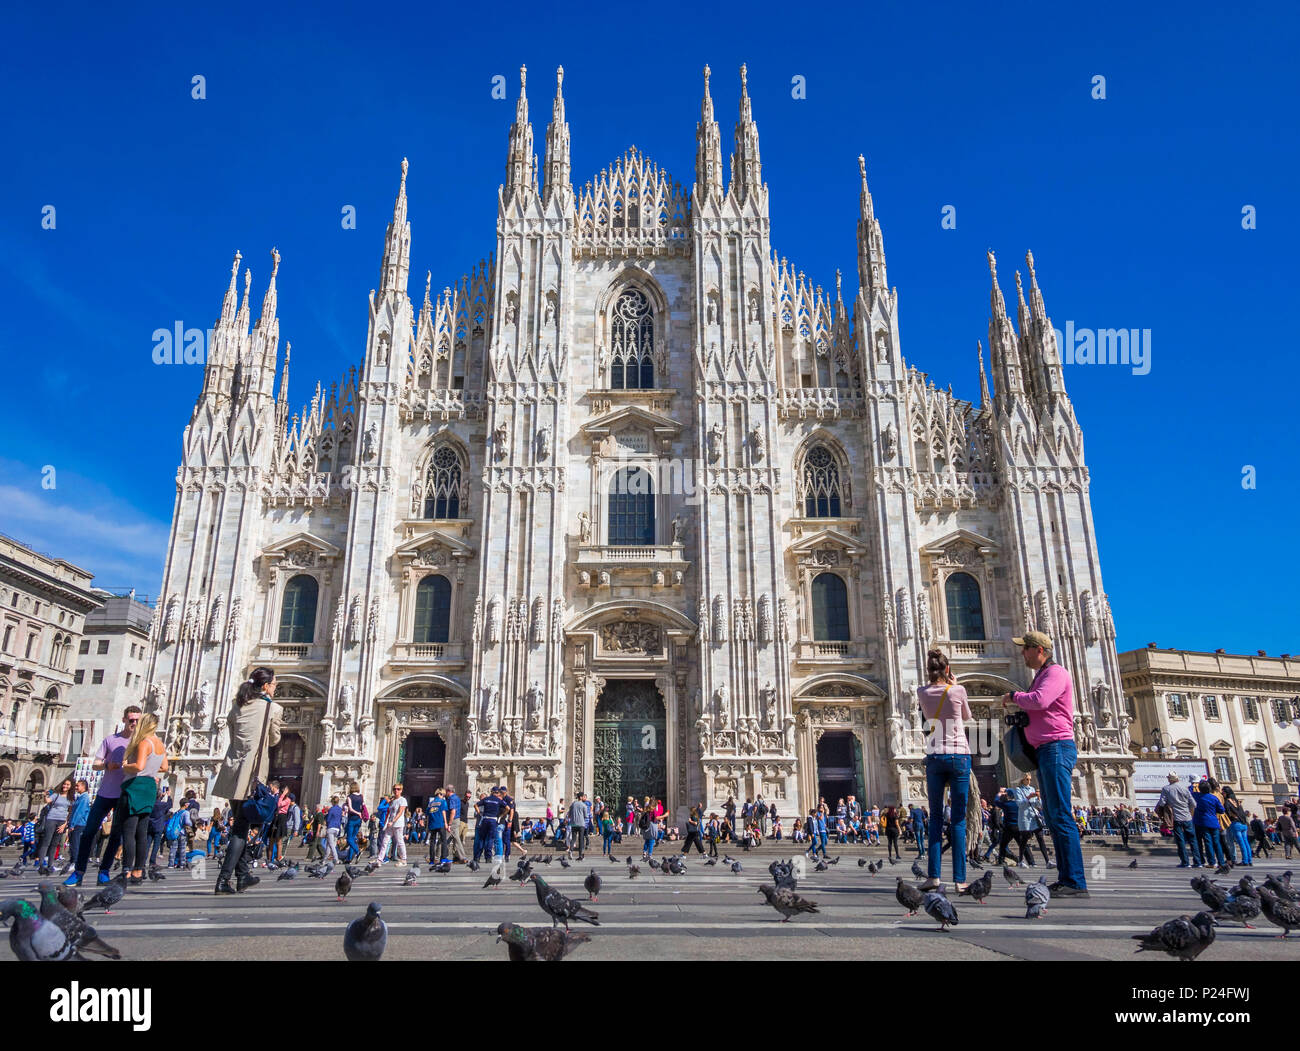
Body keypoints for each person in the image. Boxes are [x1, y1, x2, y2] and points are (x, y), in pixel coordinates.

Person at [1003, 631, 1087, 898]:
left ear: (1039, 650)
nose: (1022, 653)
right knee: (1053, 815)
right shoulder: (1041, 675)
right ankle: (1067, 878)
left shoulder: (1055, 673)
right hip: (1046, 750)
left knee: (1061, 815)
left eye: (1025, 648)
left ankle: (1075, 881)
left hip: (1056, 748)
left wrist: (1015, 697)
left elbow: (1040, 700)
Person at [212, 666, 285, 895]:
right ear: (265, 686)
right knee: (240, 831)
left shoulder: (237, 706)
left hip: (232, 772)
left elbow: (233, 737)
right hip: (252, 777)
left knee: (239, 823)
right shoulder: (272, 708)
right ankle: (223, 880)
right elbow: (273, 740)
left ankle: (242, 876)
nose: (275, 689)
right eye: (274, 685)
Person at [66, 706, 142, 887]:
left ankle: (104, 872)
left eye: (137, 720)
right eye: (131, 719)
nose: (134, 723)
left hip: (125, 794)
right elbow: (96, 764)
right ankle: (79, 871)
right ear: (124, 720)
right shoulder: (111, 740)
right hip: (105, 793)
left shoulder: (141, 743)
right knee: (89, 831)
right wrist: (108, 764)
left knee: (116, 835)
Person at [917, 648, 971, 892]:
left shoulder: (922, 692)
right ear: (947, 670)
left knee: (936, 818)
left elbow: (927, 718)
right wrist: (955, 685)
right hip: (959, 756)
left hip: (935, 756)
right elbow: (966, 716)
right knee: (958, 820)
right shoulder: (958, 691)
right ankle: (960, 880)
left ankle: (934, 877)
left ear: (928, 671)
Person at [116, 713, 168, 885]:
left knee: (129, 831)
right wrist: (152, 772)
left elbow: (139, 766)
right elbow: (165, 766)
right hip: (149, 788)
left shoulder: (145, 742)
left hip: (136, 786)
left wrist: (125, 765)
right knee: (142, 832)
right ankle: (139, 870)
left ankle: (127, 870)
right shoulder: (160, 744)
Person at [1156, 773, 1200, 867]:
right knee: (1193, 840)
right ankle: (1197, 861)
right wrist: (1189, 811)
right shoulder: (1185, 788)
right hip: (1187, 817)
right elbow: (1193, 804)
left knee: (1180, 840)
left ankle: (1185, 862)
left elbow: (1162, 802)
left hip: (1176, 818)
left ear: (1170, 780)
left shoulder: (1166, 789)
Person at [36, 777, 75, 876]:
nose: (65, 786)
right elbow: (47, 801)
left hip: (62, 821)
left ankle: (50, 865)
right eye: (64, 784)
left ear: (71, 787)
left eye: (67, 785)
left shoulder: (71, 798)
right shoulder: (56, 795)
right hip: (51, 819)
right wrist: (45, 795)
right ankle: (41, 865)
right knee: (46, 842)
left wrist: (65, 825)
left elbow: (70, 813)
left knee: (54, 844)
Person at [1192, 780, 1226, 868]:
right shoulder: (1214, 798)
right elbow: (1221, 810)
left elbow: (1191, 791)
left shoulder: (1197, 796)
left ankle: (1211, 862)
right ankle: (1221, 862)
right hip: (1214, 822)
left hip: (1203, 822)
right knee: (1217, 842)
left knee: (1208, 842)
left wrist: (1194, 784)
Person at [377, 783, 408, 865]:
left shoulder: (403, 800)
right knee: (385, 841)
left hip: (398, 824)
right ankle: (379, 859)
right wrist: (387, 822)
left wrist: (392, 821)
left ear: (401, 790)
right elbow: (388, 812)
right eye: (394, 789)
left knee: (400, 841)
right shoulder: (392, 801)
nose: (396, 791)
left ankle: (404, 859)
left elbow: (400, 812)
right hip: (390, 824)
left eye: (398, 789)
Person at [1221, 785, 1251, 866]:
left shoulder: (1227, 801)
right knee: (1246, 842)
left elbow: (1227, 812)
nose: (1222, 793)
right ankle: (1249, 860)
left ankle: (1245, 861)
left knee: (1241, 843)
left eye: (1223, 792)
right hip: (1243, 824)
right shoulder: (1237, 801)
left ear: (1226, 793)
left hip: (1235, 823)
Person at [343, 781, 365, 863]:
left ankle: (357, 851)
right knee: (353, 838)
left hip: (352, 819)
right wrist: (360, 813)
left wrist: (357, 812)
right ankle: (349, 859)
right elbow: (363, 806)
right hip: (359, 820)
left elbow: (351, 809)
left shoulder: (350, 797)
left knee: (349, 839)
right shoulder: (361, 796)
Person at [567, 793, 589, 860]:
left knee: (573, 838)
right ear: (581, 797)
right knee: (581, 839)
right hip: (581, 824)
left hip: (573, 823)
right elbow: (586, 816)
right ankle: (580, 855)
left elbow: (569, 814)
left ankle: (570, 850)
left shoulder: (573, 804)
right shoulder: (583, 805)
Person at [322, 796, 343, 863]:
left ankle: (336, 859)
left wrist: (327, 821)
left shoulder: (331, 809)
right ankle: (324, 860)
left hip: (331, 827)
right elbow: (340, 819)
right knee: (328, 844)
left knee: (331, 844)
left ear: (332, 802)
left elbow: (328, 819)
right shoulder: (340, 809)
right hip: (337, 828)